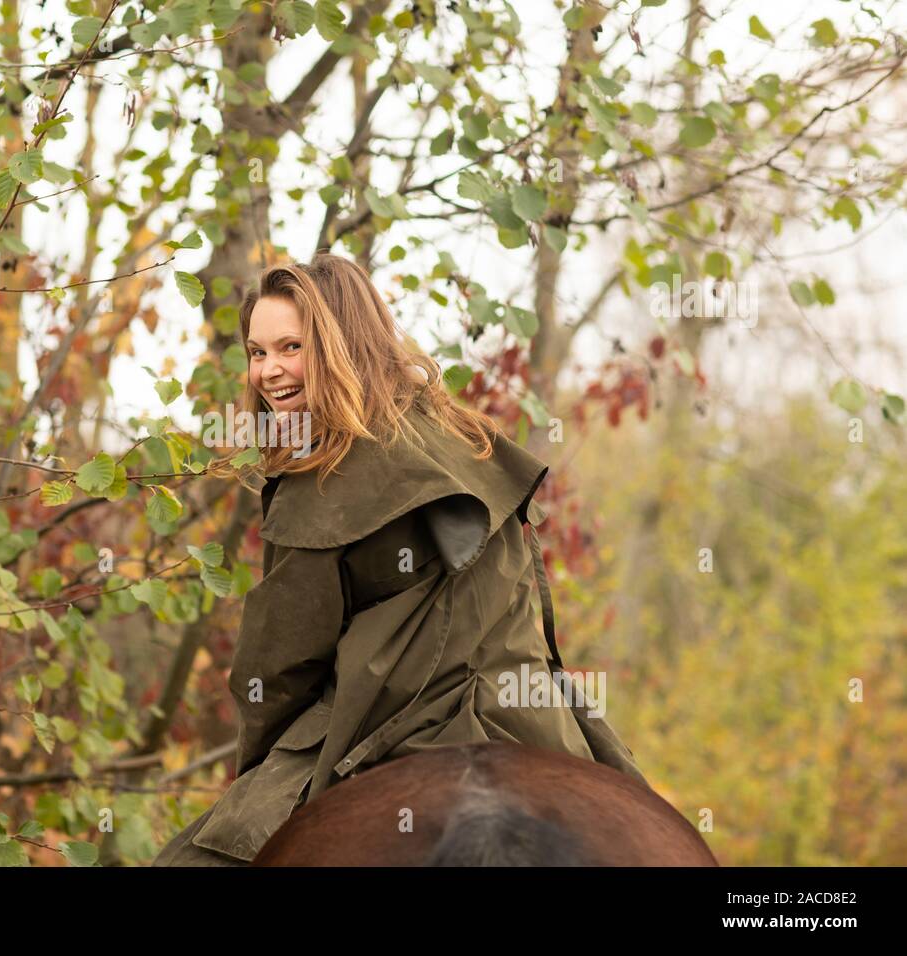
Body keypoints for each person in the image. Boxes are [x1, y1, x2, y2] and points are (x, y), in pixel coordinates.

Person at [153, 254, 647, 866]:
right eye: (257, 353)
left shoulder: (321, 477)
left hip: (390, 732)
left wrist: (258, 778)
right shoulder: (465, 440)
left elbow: (277, 668)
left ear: (341, 347)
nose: (269, 371)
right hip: (532, 719)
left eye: (290, 347)